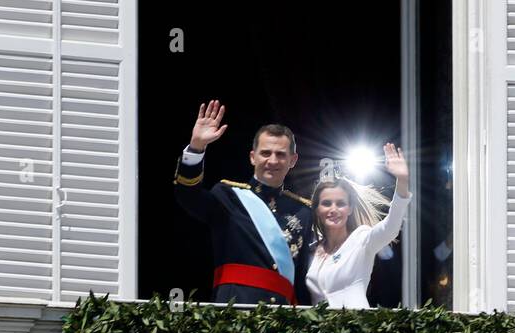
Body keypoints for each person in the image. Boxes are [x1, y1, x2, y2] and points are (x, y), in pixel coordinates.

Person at [173, 100, 315, 306]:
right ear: (252, 157)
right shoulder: (228, 196)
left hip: (283, 319)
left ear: (292, 161)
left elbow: (303, 277)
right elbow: (188, 196)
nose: (272, 161)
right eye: (265, 153)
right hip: (235, 309)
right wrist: (196, 147)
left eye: (280, 155)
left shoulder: (304, 211)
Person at [305, 143, 410, 309]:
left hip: (356, 330)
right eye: (326, 203)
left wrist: (402, 181)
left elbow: (390, 228)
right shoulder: (311, 250)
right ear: (317, 209)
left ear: (350, 209)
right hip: (319, 332)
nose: (333, 209)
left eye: (340, 204)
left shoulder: (361, 238)